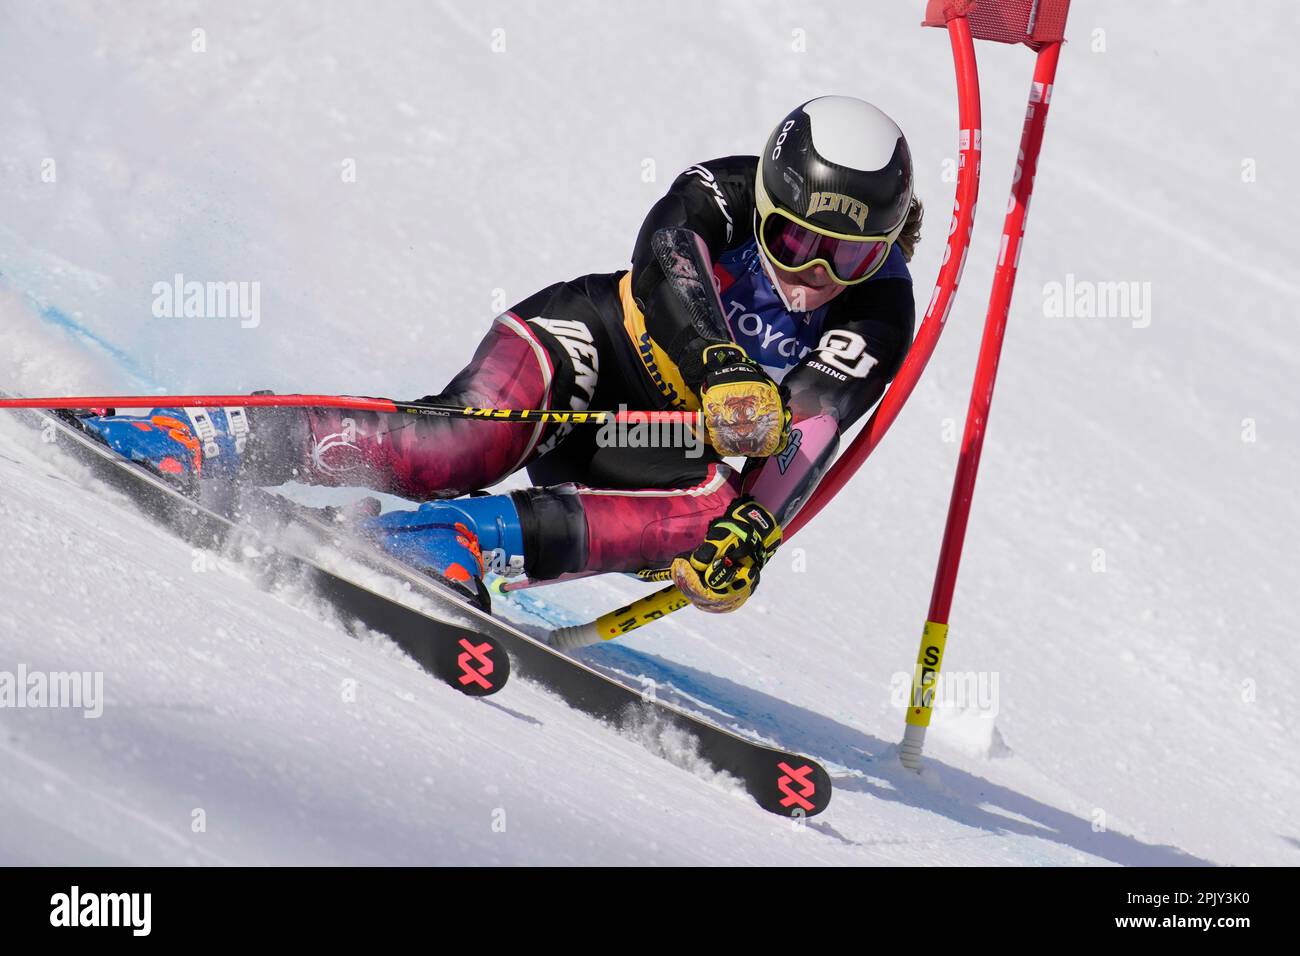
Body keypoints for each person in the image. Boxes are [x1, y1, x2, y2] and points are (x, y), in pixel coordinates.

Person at [79, 95, 922, 617]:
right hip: (591, 346)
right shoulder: (720, 190)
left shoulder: (883, 306)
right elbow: (666, 264)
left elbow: (816, 417)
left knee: (709, 512)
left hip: (651, 445)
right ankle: (211, 436)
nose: (815, 271)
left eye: (846, 255)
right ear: (767, 202)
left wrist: (751, 530)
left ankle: (455, 541)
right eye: (793, 238)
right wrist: (721, 368)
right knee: (459, 447)